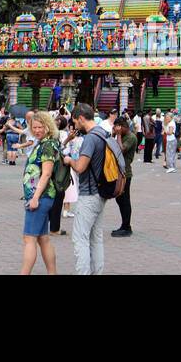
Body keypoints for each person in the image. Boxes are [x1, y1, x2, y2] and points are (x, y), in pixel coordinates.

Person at [63, 103, 125, 276]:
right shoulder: (104, 133)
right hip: (102, 192)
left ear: (81, 118)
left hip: (89, 193)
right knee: (96, 238)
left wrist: (69, 161)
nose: (74, 126)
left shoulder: (90, 138)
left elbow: (81, 167)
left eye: (75, 122)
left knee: (80, 238)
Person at [20, 111, 61, 275]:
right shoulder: (43, 143)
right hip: (40, 196)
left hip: (41, 197)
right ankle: (52, 273)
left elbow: (46, 173)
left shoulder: (47, 145)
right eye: (34, 127)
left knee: (29, 238)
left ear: (48, 126)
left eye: (40, 127)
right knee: (43, 238)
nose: (37, 130)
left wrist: (35, 197)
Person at [112, 115, 137, 236]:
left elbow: (120, 149)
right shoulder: (121, 135)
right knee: (119, 199)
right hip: (118, 171)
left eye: (117, 127)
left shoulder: (131, 137)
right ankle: (124, 225)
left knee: (124, 199)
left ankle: (127, 227)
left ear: (122, 127)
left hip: (125, 172)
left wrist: (118, 135)